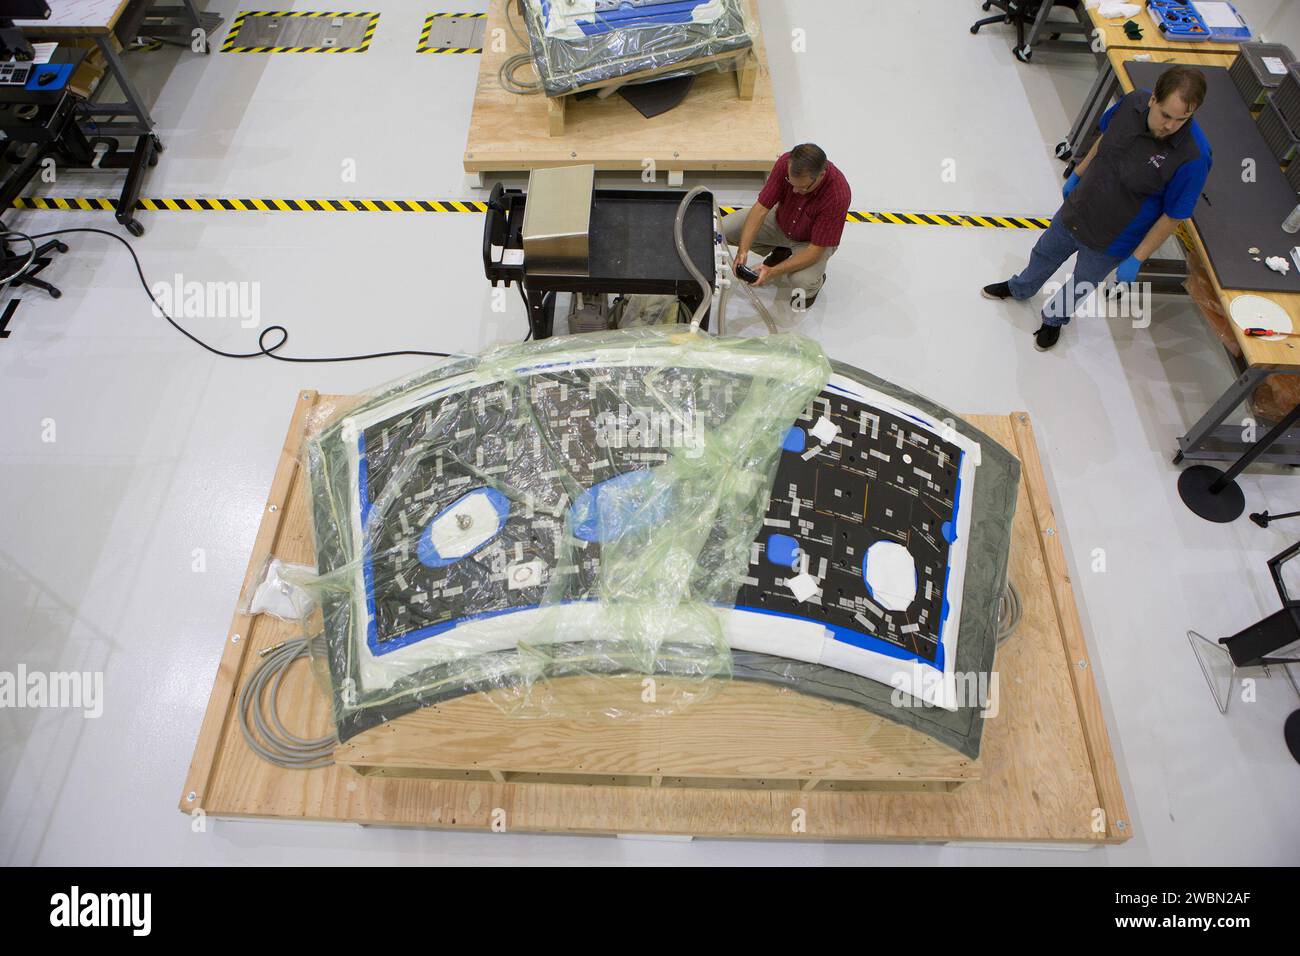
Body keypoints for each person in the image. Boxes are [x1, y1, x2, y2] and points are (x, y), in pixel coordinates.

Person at [982, 66, 1212, 351]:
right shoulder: (1131, 103)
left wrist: (1137, 258)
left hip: (1113, 238)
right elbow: (1106, 137)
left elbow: (1174, 215)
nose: (1170, 126)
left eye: (1182, 119)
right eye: (1166, 115)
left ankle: (1054, 320)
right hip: (1079, 208)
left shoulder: (1194, 156)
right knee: (1044, 252)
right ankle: (1020, 288)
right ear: (1153, 98)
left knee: (1082, 282)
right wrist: (1078, 172)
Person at [722, 143, 852, 310]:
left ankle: (814, 286)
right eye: (791, 184)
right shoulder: (785, 163)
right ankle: (782, 249)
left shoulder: (837, 194)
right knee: (725, 229)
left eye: (803, 187)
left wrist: (772, 271)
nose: (796, 191)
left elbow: (815, 251)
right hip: (781, 221)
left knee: (802, 281)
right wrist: (743, 250)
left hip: (810, 242)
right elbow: (761, 208)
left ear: (821, 175)